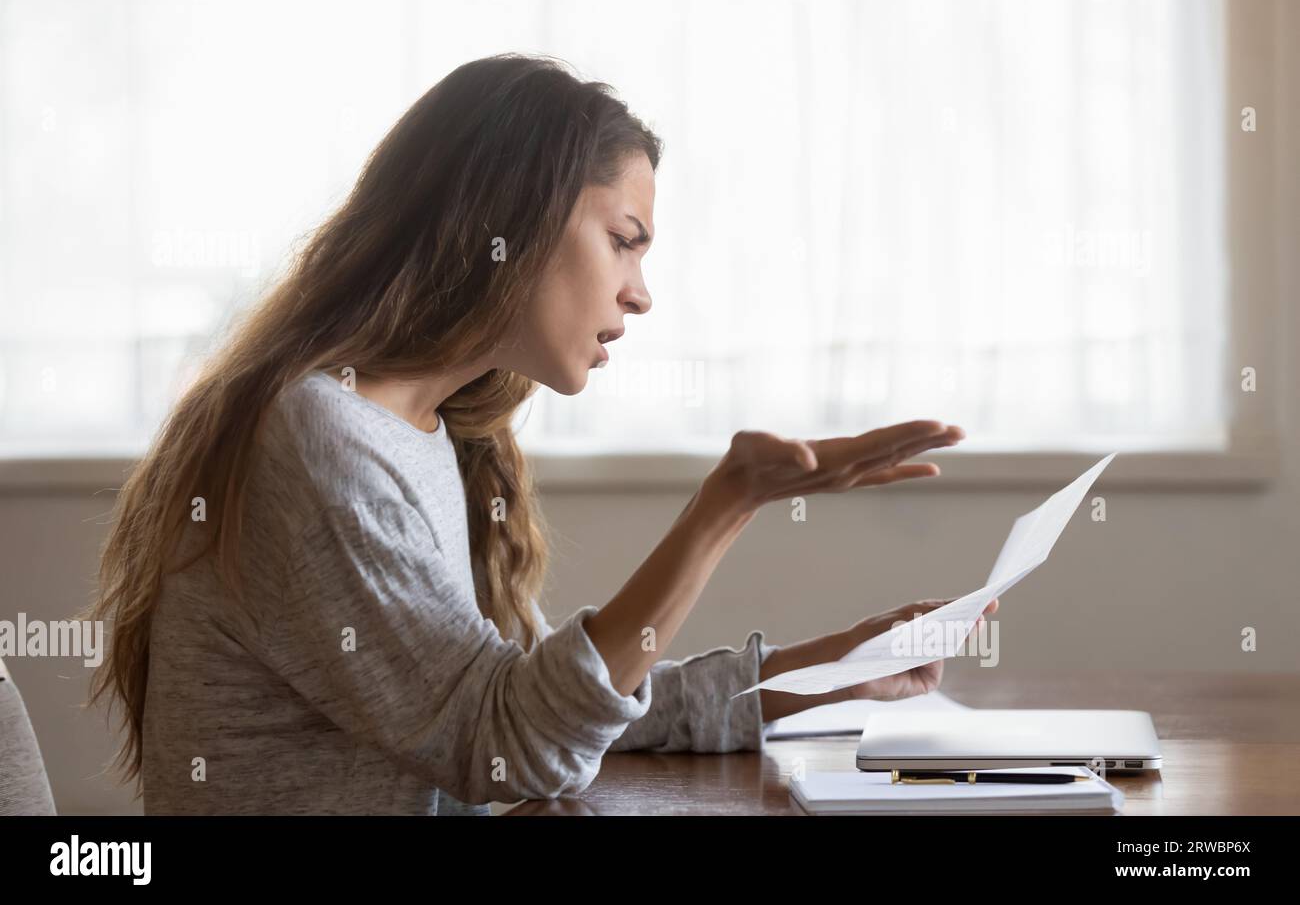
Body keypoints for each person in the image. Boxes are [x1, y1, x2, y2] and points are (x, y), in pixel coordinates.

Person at [85, 53, 989, 815]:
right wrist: (729, 502)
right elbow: (512, 743)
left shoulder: (428, 431)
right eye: (624, 240)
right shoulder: (323, 439)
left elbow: (563, 708)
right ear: (511, 223)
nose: (641, 292)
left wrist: (827, 671)